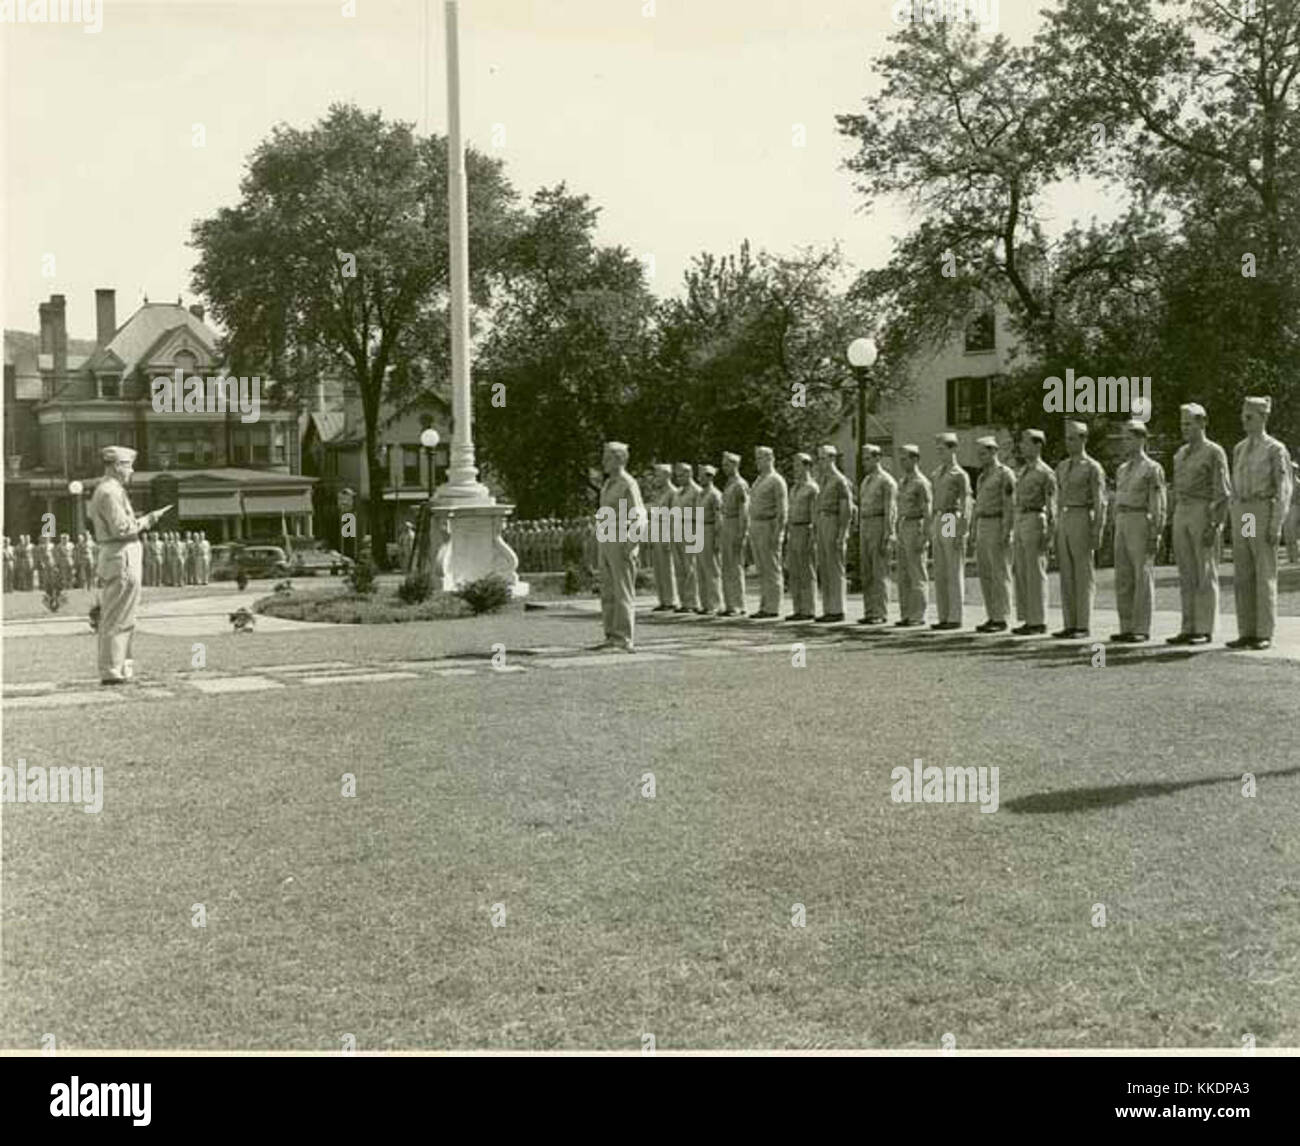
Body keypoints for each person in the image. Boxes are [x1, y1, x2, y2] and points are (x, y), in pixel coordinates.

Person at [87, 446, 172, 684]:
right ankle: (112, 670)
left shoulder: (111, 490)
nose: (131, 470)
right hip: (120, 554)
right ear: (117, 466)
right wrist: (149, 520)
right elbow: (122, 529)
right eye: (128, 465)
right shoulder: (109, 492)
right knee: (118, 616)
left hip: (121, 554)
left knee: (126, 616)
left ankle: (121, 666)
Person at [1228, 396, 1294, 650]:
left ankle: (1264, 632)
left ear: (1263, 417)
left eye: (1250, 417)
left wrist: (1276, 523)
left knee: (1264, 570)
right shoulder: (1240, 449)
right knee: (1244, 570)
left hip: (1262, 508)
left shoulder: (1275, 449)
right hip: (1244, 511)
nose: (1245, 422)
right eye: (1243, 416)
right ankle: (1247, 630)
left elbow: (1284, 488)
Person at [1167, 403, 1230, 645]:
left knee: (1205, 571)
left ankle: (1204, 628)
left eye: (1189, 424)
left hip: (1202, 509)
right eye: (1182, 424)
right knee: (1186, 573)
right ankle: (1188, 626)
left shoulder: (1214, 452)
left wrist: (1215, 524)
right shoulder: (1180, 454)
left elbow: (1222, 492)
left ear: (1202, 423)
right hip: (1182, 510)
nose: (1185, 429)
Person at [1110, 421, 1166, 643]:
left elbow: (1158, 502)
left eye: (1129, 438)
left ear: (1142, 439)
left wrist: (1156, 532)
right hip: (1123, 518)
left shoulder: (1152, 469)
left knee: (1141, 575)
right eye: (1124, 438)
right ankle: (1126, 626)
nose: (1126, 442)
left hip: (1140, 518)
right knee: (1123, 576)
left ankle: (1141, 628)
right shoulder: (1122, 469)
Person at [1054, 420, 1107, 638]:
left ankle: (1082, 625)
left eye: (1073, 438)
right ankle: (1070, 623)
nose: (1069, 443)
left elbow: (1100, 501)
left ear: (1084, 439)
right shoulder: (1062, 466)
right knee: (1066, 573)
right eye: (1067, 438)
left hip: (1082, 515)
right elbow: (1057, 498)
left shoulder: (1092, 467)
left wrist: (1097, 529)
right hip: (1065, 516)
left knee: (1082, 573)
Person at [595, 441, 644, 652]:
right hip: (606, 537)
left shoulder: (627, 483)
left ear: (619, 459)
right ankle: (611, 635)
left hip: (621, 537)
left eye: (607, 457)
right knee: (608, 590)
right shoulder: (608, 484)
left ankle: (624, 638)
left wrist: (632, 543)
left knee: (622, 589)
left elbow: (639, 515)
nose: (603, 461)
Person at [1012, 429, 1056, 636]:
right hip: (1021, 519)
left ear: (1038, 445)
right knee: (1022, 571)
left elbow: (1052, 504)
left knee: (1035, 571)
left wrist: (1050, 532)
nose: (1021, 446)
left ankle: (1038, 620)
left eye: (1026, 442)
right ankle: (1029, 618)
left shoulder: (1044, 472)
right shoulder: (1023, 471)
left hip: (1035, 517)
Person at [972, 436, 1016, 633]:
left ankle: (1001, 616)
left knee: (1000, 572)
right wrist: (973, 529)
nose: (980, 457)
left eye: (984, 453)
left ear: (994, 451)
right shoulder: (982, 476)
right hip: (982, 522)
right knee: (986, 573)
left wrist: (1008, 530)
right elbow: (976, 505)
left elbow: (1009, 504)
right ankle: (992, 615)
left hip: (997, 521)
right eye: (978, 453)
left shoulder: (1004, 474)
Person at [930, 433, 971, 630]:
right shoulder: (937, 473)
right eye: (938, 449)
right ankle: (943, 615)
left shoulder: (959, 474)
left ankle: (955, 616)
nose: (940, 453)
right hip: (939, 517)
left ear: (953, 449)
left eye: (943, 449)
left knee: (952, 567)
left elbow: (965, 503)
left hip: (950, 517)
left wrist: (962, 531)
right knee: (940, 570)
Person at [857, 444, 897, 625]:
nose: (865, 462)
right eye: (863, 459)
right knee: (867, 571)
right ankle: (870, 610)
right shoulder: (866, 481)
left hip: (880, 522)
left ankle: (880, 612)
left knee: (879, 570)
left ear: (877, 458)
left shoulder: (886, 481)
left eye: (868, 458)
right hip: (866, 523)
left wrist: (889, 533)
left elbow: (891, 510)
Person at [814, 445, 853, 622]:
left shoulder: (840, 480)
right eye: (819, 458)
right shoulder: (823, 480)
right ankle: (829, 608)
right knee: (826, 566)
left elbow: (846, 509)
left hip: (833, 520)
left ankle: (837, 609)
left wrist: (843, 532)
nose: (820, 462)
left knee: (835, 566)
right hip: (823, 520)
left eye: (823, 458)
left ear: (832, 458)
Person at [748, 446, 788, 619]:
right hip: (757, 525)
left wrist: (779, 532)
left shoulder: (776, 480)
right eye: (756, 458)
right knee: (762, 568)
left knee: (771, 567)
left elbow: (782, 509)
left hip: (769, 525)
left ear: (770, 458)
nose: (757, 462)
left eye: (761, 458)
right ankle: (764, 604)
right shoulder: (759, 479)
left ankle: (773, 607)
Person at [895, 445, 932, 627]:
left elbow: (927, 511)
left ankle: (918, 614)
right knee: (903, 574)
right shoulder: (903, 482)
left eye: (906, 459)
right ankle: (906, 613)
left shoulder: (921, 482)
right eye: (901, 459)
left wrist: (925, 536)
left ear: (915, 459)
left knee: (917, 572)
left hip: (916, 524)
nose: (902, 463)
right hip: (904, 524)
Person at [785, 453, 819, 621]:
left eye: (798, 465)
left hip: (805, 528)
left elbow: (814, 513)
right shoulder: (794, 488)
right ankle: (798, 607)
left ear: (807, 466)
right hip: (794, 528)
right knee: (795, 571)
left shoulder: (812, 488)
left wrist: (813, 534)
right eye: (794, 465)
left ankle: (808, 608)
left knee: (807, 570)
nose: (795, 469)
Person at [719, 452, 750, 617]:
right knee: (727, 566)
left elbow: (743, 510)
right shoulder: (729, 483)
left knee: (735, 566)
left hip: (734, 524)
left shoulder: (740, 484)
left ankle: (738, 604)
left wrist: (742, 532)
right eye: (723, 465)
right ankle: (730, 603)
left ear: (735, 465)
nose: (724, 468)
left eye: (727, 465)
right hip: (727, 523)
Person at [647, 464, 679, 612]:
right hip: (657, 530)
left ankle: (670, 599)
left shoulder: (673, 493)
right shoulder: (658, 494)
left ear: (666, 476)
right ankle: (663, 599)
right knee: (659, 567)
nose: (655, 479)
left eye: (658, 476)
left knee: (667, 567)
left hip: (666, 530)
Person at [670, 463, 701, 614]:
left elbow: (701, 513)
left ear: (689, 475)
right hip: (677, 528)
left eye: (681, 475)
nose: (679, 478)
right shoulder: (678, 493)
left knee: (690, 567)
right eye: (677, 476)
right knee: (679, 567)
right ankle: (683, 601)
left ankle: (692, 601)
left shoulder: (696, 492)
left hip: (690, 528)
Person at [695, 465, 724, 616]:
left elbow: (719, 518)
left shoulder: (715, 495)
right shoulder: (700, 494)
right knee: (700, 568)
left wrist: (718, 539)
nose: (700, 478)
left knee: (711, 568)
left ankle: (714, 603)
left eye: (704, 476)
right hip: (699, 529)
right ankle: (705, 603)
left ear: (710, 477)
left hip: (709, 529)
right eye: (700, 476)